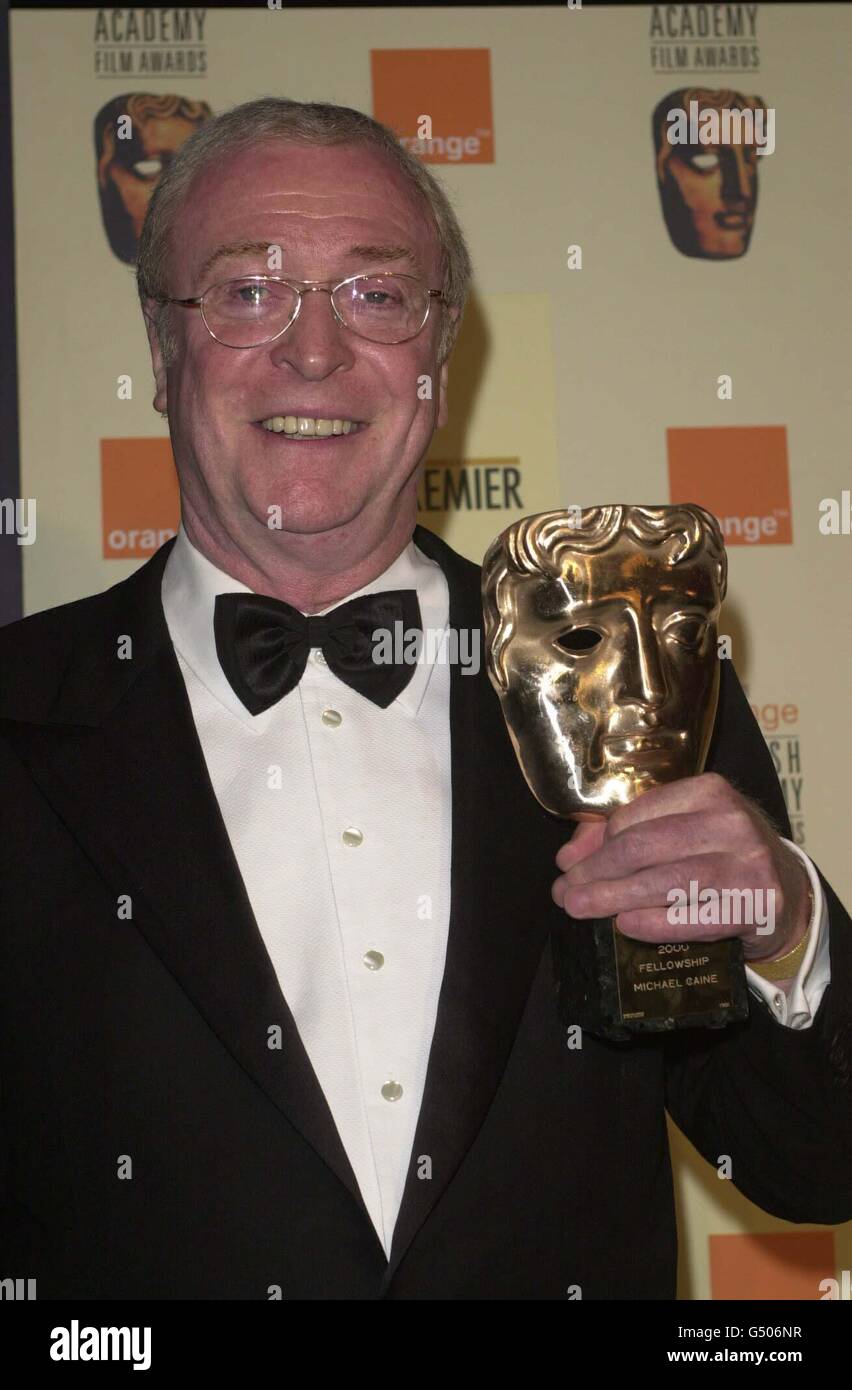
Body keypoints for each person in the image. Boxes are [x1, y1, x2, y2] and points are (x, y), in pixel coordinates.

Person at [1, 98, 850, 1301]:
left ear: (439, 364)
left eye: (375, 296)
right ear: (161, 344)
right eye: (249, 291)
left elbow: (812, 1164)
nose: (312, 351)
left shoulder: (633, 681)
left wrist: (786, 931)